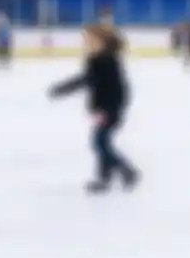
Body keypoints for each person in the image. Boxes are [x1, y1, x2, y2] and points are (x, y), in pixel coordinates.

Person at [49, 25, 139, 194]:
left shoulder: (105, 60)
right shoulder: (99, 59)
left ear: (102, 42)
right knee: (101, 143)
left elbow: (96, 82)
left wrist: (63, 89)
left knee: (99, 143)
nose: (86, 43)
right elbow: (90, 81)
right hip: (104, 109)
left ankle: (127, 170)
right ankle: (105, 178)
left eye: (90, 40)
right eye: (85, 40)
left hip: (109, 109)